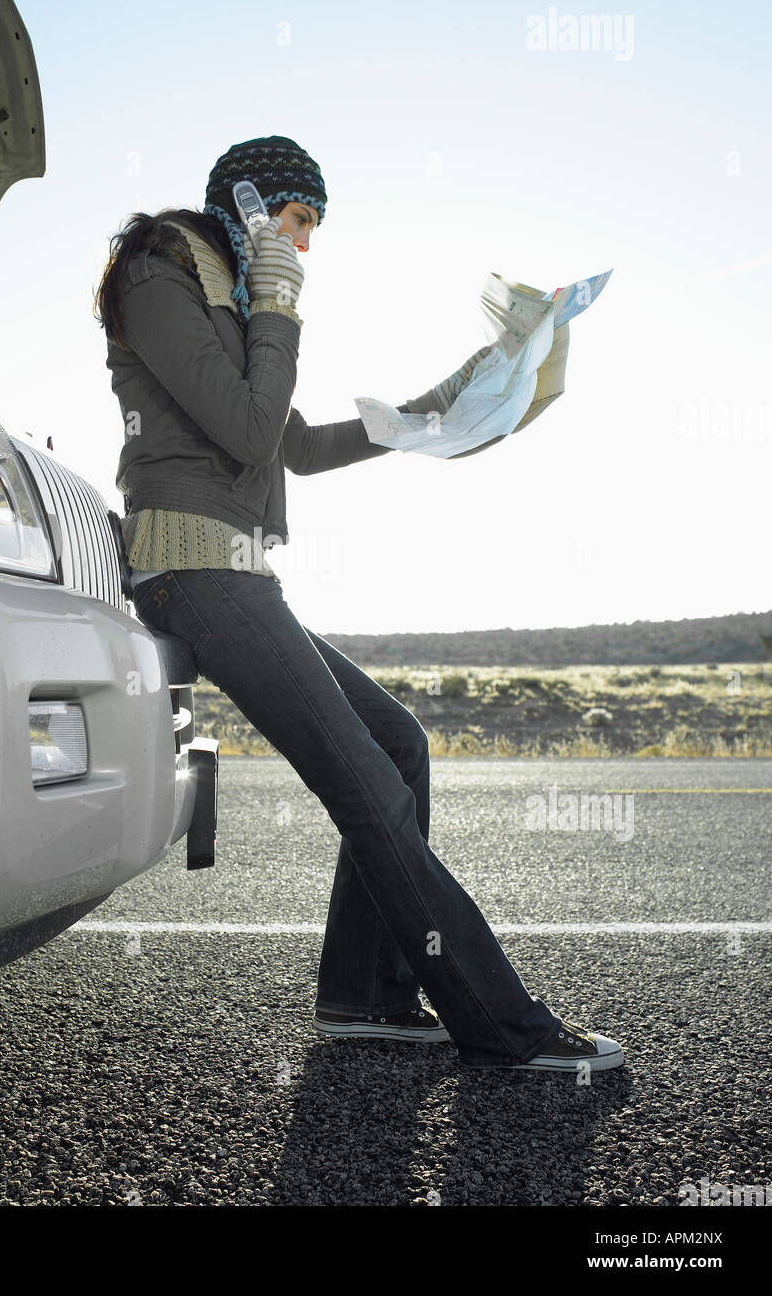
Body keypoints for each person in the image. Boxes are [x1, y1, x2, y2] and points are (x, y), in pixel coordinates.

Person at [95, 136, 623, 1072]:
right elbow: (252, 424)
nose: (302, 245)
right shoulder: (159, 268)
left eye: (311, 230)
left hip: (240, 573)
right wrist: (277, 308)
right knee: (370, 789)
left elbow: (286, 445)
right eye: (296, 221)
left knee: (396, 745)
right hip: (192, 570)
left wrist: (434, 408)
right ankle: (502, 1025)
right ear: (252, 207)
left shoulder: (237, 292)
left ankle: (364, 995)